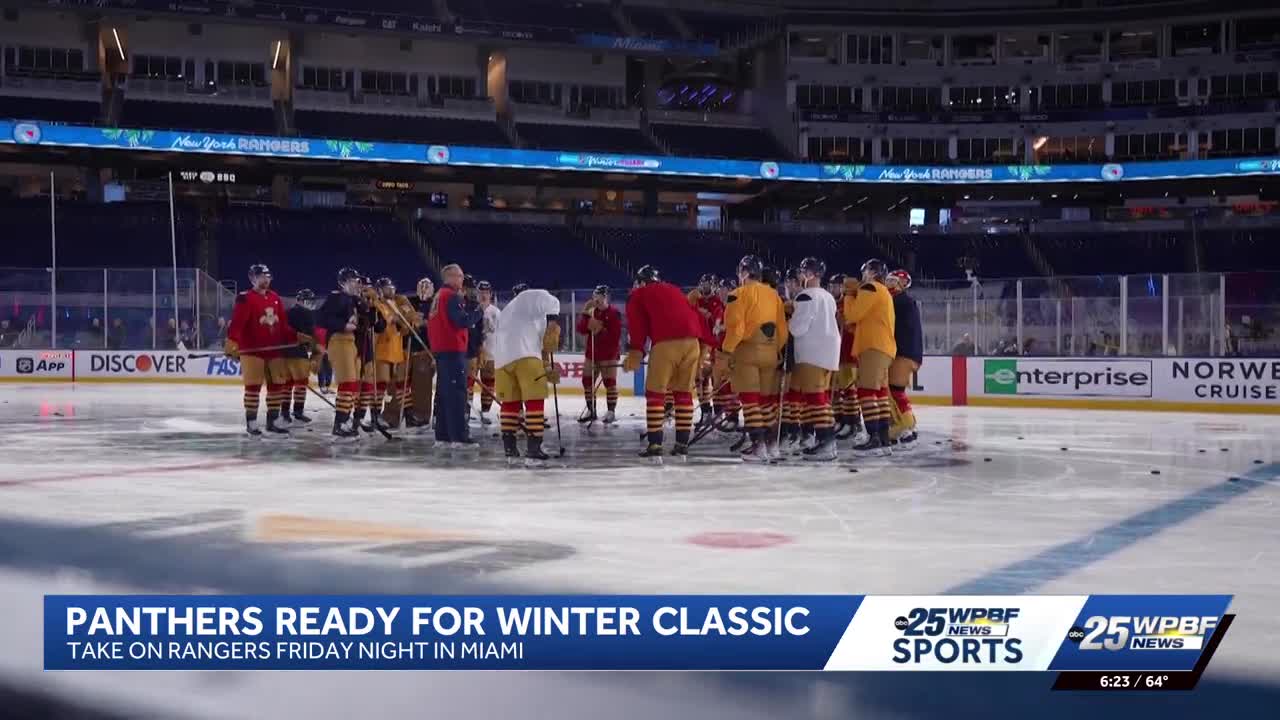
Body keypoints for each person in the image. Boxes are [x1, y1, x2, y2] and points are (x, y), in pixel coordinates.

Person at [624, 265, 705, 461]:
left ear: (641, 282)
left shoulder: (638, 294)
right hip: (693, 344)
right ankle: (681, 446)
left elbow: (637, 326)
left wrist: (636, 351)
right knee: (683, 394)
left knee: (655, 394)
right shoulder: (674, 289)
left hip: (666, 344)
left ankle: (655, 445)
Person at [722, 255, 788, 463]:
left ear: (744, 272)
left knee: (751, 401)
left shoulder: (737, 294)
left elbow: (736, 329)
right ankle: (772, 445)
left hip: (747, 353)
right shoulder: (774, 295)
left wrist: (726, 351)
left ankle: (758, 447)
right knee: (767, 402)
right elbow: (783, 330)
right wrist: (775, 350)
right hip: (771, 353)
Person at [492, 283, 562, 466]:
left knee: (510, 404)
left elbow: (538, 343)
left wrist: (545, 366)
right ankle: (533, 451)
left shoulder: (506, 312)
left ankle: (510, 450)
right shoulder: (532, 296)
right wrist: (553, 324)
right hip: (526, 358)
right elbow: (552, 302)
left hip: (502, 362)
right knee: (534, 401)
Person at [225, 264, 296, 436]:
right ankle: (252, 423)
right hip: (252, 351)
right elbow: (237, 324)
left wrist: (296, 338)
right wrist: (232, 342)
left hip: (275, 350)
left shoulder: (275, 297)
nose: (266, 280)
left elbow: (283, 325)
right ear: (253, 279)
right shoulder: (245, 298)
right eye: (262, 276)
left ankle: (272, 422)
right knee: (253, 387)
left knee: (277, 386)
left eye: (268, 276)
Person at [787, 257, 841, 461]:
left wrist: (789, 317)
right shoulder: (828, 296)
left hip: (812, 353)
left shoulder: (805, 296)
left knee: (816, 399)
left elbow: (797, 328)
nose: (800, 276)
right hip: (828, 352)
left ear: (810, 274)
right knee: (820, 397)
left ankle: (826, 441)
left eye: (802, 272)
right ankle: (825, 441)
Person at [843, 258, 897, 456]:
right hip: (884, 348)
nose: (863, 275)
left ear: (873, 273)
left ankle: (874, 437)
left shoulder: (870, 288)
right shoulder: (884, 292)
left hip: (873, 347)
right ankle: (883, 439)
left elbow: (852, 315)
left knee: (866, 392)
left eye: (865, 271)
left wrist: (849, 295)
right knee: (880, 394)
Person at [427, 263, 483, 448]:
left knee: (444, 394)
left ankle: (443, 435)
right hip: (452, 350)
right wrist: (479, 311)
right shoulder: (451, 296)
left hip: (441, 350)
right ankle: (459, 437)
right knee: (457, 394)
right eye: (459, 276)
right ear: (450, 277)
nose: (462, 279)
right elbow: (462, 321)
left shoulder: (438, 296)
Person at [316, 268, 367, 439]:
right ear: (343, 282)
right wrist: (343, 325)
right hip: (339, 340)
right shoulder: (336, 297)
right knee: (347, 382)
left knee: (353, 383)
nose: (357, 284)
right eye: (353, 281)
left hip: (351, 342)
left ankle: (344, 421)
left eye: (357, 281)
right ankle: (340, 424)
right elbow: (322, 319)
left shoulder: (353, 299)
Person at [886, 269, 923, 446]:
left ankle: (905, 427)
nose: (889, 284)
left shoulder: (900, 301)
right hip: (908, 353)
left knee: (895, 392)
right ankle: (908, 425)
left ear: (903, 283)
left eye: (893, 281)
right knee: (896, 391)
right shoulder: (905, 301)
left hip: (903, 353)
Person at [576, 285, 623, 424]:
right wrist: (585, 314)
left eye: (598, 296)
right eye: (594, 296)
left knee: (610, 383)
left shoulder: (614, 313)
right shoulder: (591, 312)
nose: (595, 299)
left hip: (609, 354)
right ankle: (591, 411)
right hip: (591, 354)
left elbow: (615, 336)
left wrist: (600, 329)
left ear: (605, 297)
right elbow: (581, 329)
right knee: (587, 381)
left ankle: (611, 412)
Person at [686, 273, 725, 431]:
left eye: (708, 284)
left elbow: (718, 319)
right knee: (699, 379)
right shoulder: (698, 300)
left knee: (716, 380)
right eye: (703, 284)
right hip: (699, 343)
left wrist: (710, 316)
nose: (705, 287)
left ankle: (718, 413)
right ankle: (705, 411)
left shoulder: (717, 302)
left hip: (713, 345)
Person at [281, 289, 318, 425]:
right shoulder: (307, 314)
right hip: (298, 354)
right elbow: (310, 335)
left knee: (287, 384)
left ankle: (284, 412)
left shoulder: (286, 312)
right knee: (301, 384)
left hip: (284, 354)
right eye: (308, 301)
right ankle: (298, 411)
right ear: (300, 301)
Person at [467, 280, 501, 426]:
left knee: (488, 383)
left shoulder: (496, 312)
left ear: (490, 294)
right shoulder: (472, 309)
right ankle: (467, 412)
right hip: (473, 352)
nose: (483, 295)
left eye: (486, 292)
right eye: (481, 292)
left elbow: (501, 333)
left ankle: (485, 412)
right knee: (469, 383)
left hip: (491, 353)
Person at [403, 277, 435, 428]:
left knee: (422, 386)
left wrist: (426, 323)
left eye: (427, 287)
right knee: (400, 383)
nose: (423, 290)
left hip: (425, 350)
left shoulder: (435, 305)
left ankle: (421, 415)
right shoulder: (410, 302)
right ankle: (399, 414)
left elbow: (439, 325)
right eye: (421, 286)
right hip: (407, 349)